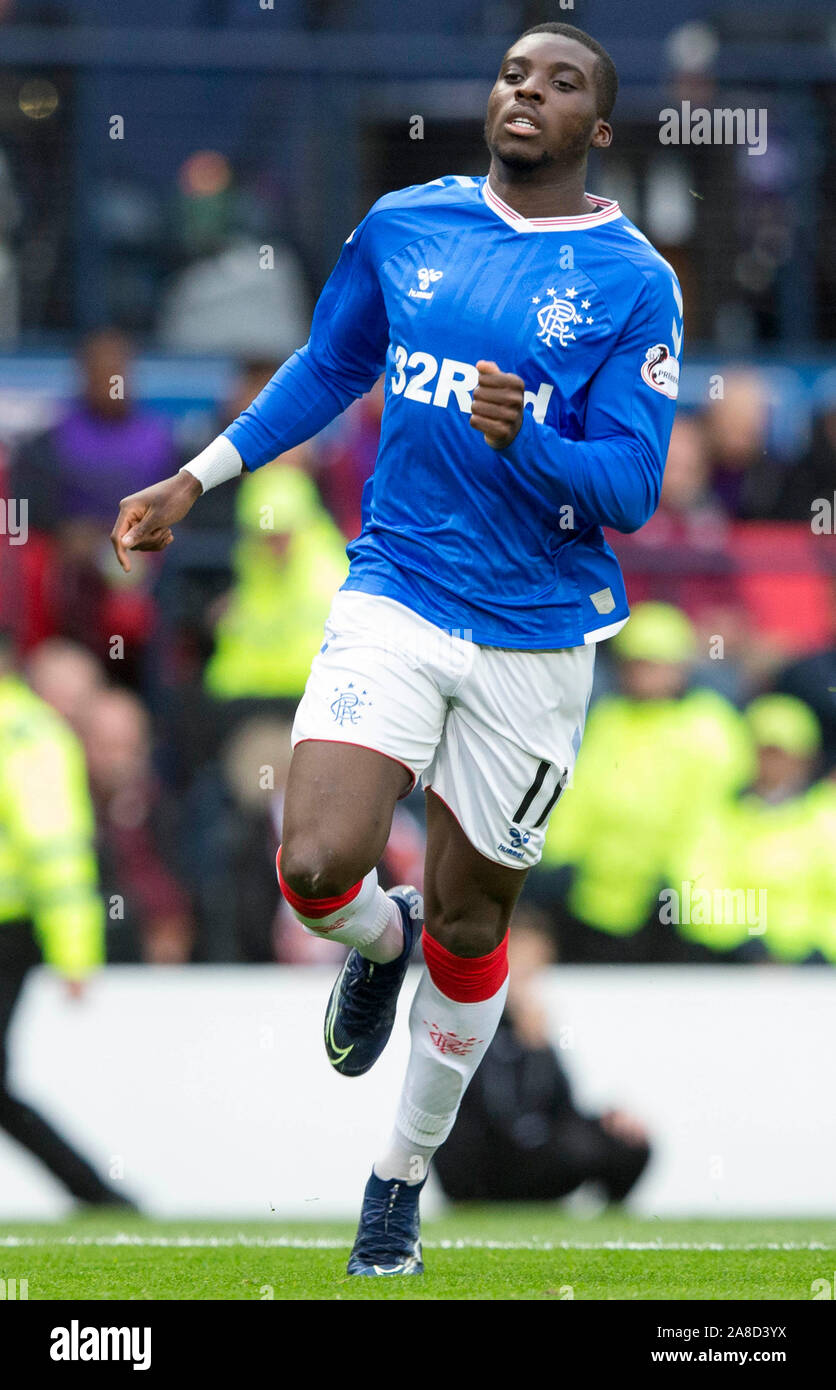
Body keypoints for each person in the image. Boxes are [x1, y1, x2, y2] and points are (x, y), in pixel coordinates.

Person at [111, 23, 683, 1275]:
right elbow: (329, 366)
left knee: (474, 937)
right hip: (400, 592)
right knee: (314, 862)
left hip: (536, 638)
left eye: (561, 80)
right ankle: (381, 935)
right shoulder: (405, 224)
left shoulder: (633, 278)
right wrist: (197, 477)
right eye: (514, 72)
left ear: (596, 126)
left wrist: (526, 432)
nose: (526, 90)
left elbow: (631, 485)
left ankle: (395, 1180)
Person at [533, 603, 754, 963]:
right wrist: (559, 859)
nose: (642, 674)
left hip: (687, 894)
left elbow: (721, 813)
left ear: (680, 665)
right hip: (601, 894)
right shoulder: (607, 718)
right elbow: (580, 796)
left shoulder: (712, 724)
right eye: (634, 664)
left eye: (654, 664)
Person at [0, 633, 135, 1209]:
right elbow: (56, 848)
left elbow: (53, 850)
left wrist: (76, 951)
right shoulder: (30, 732)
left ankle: (96, 1193)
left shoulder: (24, 733)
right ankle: (95, 1193)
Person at [434, 911, 651, 1205]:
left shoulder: (532, 1024)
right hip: (483, 1160)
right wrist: (532, 1048)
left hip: (532, 1149)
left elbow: (560, 1106)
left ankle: (609, 1226)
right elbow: (503, 1112)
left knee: (630, 1145)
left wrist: (604, 1120)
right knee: (575, 1150)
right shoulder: (470, 1016)